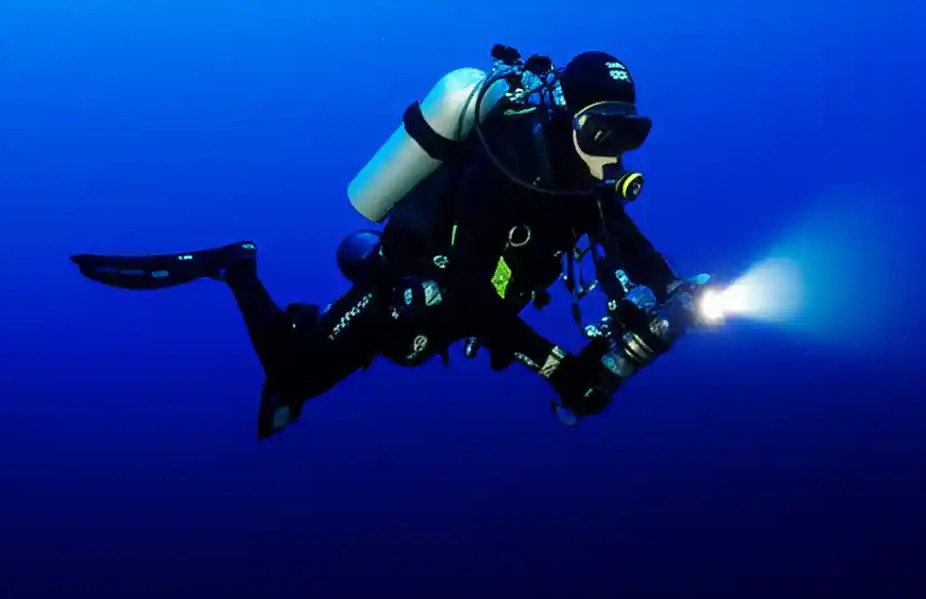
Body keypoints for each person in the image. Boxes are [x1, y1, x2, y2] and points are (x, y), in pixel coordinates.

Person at [71, 46, 705, 439]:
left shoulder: (579, 180)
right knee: (296, 377)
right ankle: (238, 268)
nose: (614, 152)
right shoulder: (509, 163)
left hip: (470, 307)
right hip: (408, 286)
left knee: (397, 347)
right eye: (601, 131)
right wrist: (555, 366)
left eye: (631, 133)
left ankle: (306, 323)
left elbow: (623, 238)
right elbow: (463, 288)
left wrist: (672, 288)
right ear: (568, 116)